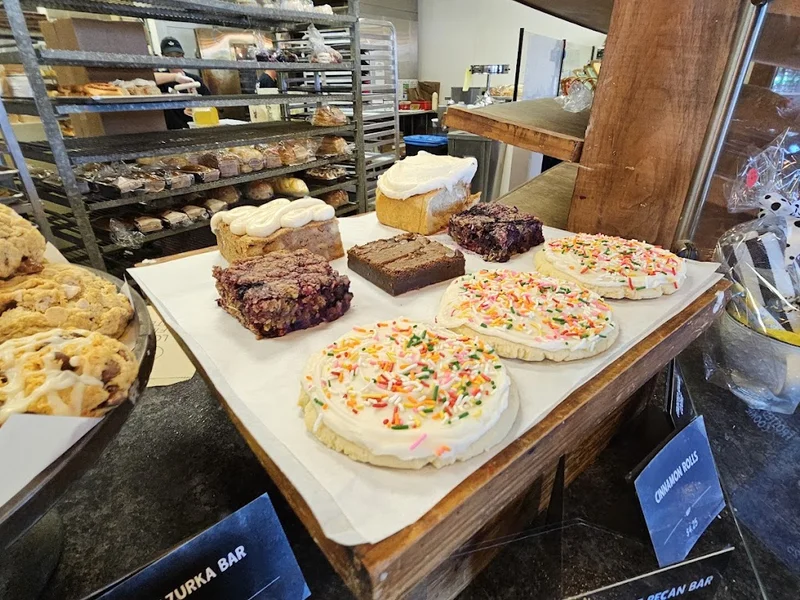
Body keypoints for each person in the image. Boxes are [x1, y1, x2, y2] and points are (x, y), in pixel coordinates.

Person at [154, 37, 211, 129]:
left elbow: (210, 103)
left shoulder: (195, 80)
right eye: (169, 56)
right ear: (163, 57)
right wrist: (175, 77)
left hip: (195, 129)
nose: (174, 59)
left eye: (178, 55)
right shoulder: (162, 81)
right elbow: (148, 79)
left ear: (183, 56)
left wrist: (197, 106)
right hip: (172, 132)